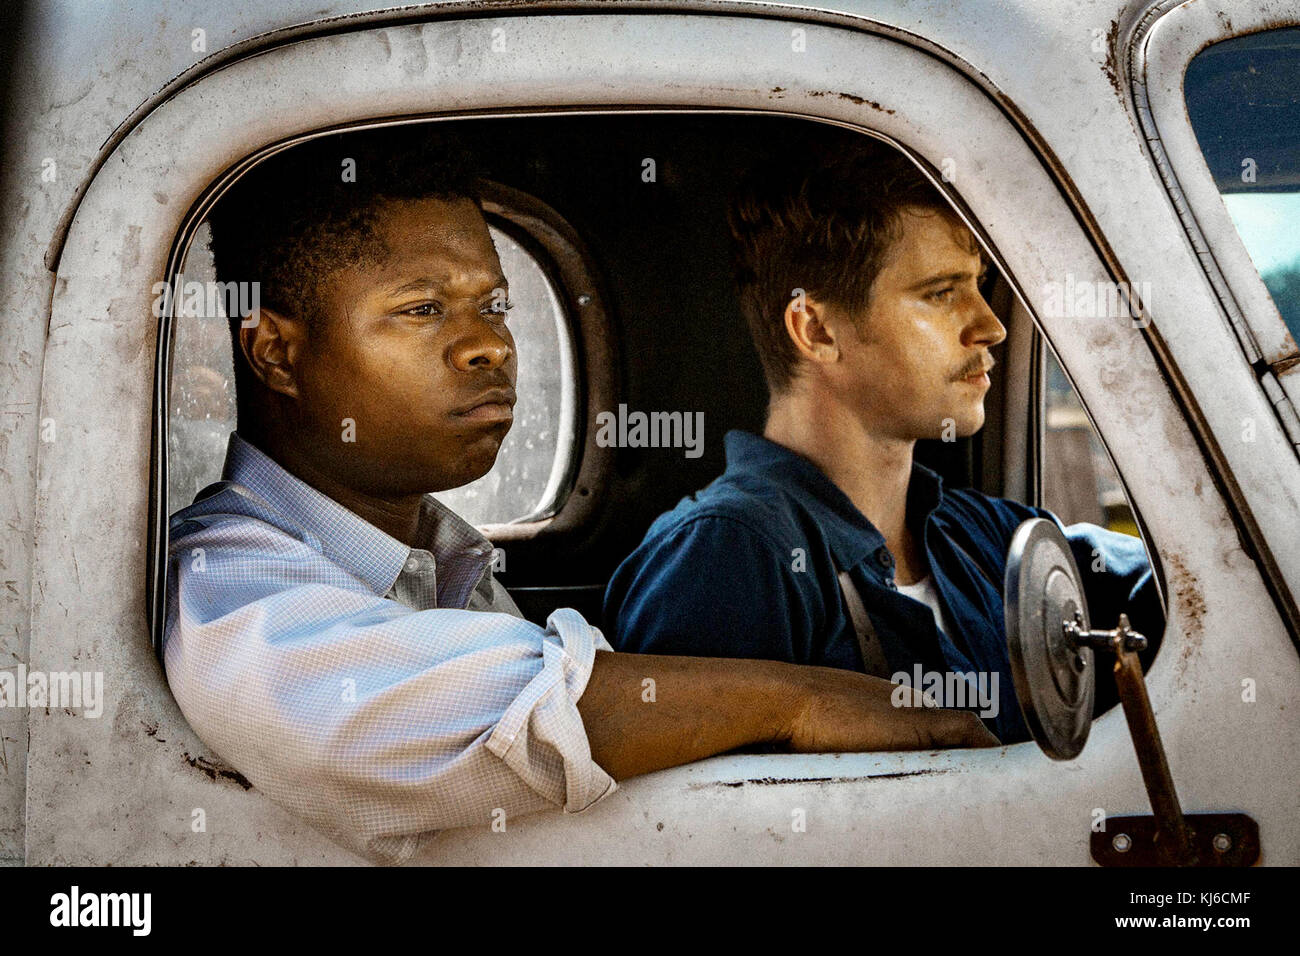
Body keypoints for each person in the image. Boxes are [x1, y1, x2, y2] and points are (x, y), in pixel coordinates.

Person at [163, 130, 996, 865]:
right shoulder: (228, 585)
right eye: (423, 309)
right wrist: (806, 702)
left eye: (492, 305)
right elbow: (504, 708)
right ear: (275, 351)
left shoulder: (447, 569)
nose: (489, 344)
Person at [603, 137, 1163, 745]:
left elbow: (1188, 586)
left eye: (977, 285)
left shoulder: (985, 537)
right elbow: (702, 831)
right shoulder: (726, 560)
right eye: (941, 292)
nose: (991, 325)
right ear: (816, 329)